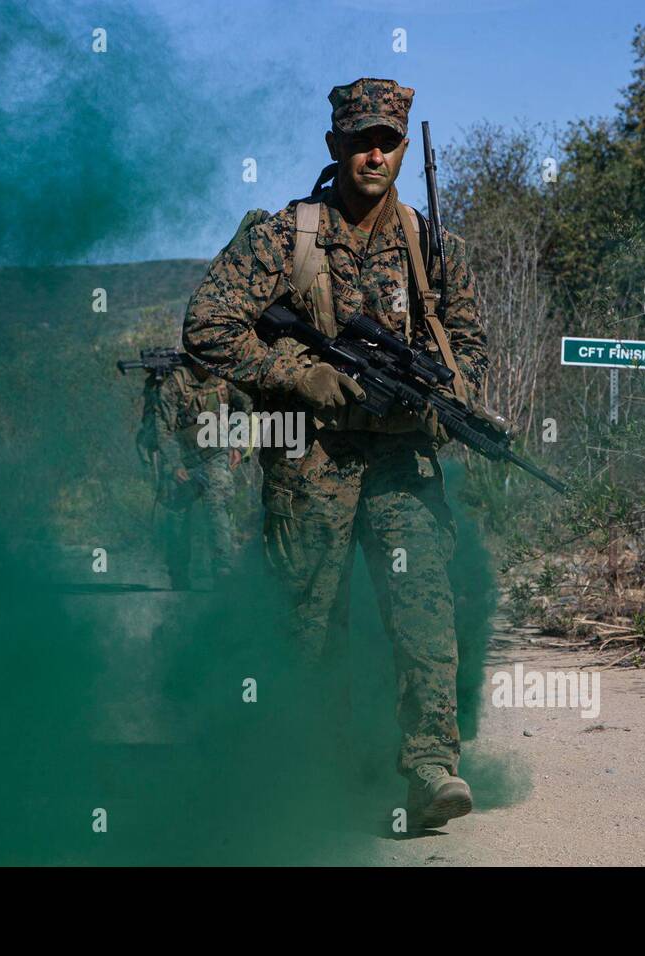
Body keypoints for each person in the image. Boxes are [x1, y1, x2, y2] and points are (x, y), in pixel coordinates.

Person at [182, 78, 489, 828]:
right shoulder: (284, 237)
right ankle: (316, 770)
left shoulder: (431, 244)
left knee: (422, 610)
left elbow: (471, 343)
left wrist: (451, 401)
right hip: (309, 461)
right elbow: (207, 325)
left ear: (404, 149)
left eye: (387, 141)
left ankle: (428, 765)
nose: (374, 153)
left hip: (400, 460)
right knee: (310, 621)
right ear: (335, 146)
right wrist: (299, 374)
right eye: (360, 141)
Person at [153, 355, 252, 589]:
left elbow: (246, 406)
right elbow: (163, 429)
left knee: (217, 505)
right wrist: (175, 463)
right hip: (183, 458)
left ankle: (223, 570)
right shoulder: (174, 384)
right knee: (176, 513)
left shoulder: (223, 380)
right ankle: (178, 573)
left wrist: (238, 445)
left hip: (216, 454)